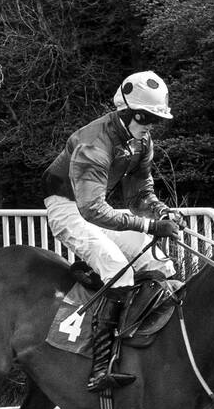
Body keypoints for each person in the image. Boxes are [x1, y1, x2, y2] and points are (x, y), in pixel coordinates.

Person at [43, 70, 185, 391]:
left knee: (161, 265)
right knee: (118, 271)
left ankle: (143, 345)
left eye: (155, 120)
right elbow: (92, 209)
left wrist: (164, 213)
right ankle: (100, 368)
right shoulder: (94, 144)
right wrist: (150, 225)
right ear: (128, 112)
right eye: (147, 118)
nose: (151, 126)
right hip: (67, 208)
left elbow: (139, 197)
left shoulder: (141, 142)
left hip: (94, 209)